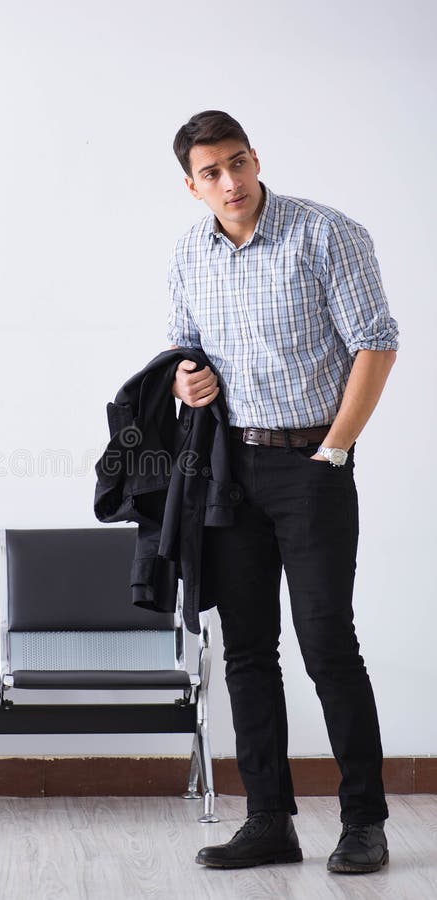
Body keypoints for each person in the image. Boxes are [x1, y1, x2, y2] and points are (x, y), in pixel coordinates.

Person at [167, 110, 398, 875]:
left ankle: (363, 822)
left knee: (327, 643)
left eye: (238, 162)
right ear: (191, 185)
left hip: (313, 465)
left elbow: (375, 341)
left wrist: (334, 448)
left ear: (255, 158)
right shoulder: (186, 255)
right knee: (247, 651)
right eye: (211, 172)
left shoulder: (326, 234)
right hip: (231, 472)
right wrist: (185, 377)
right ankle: (269, 820)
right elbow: (183, 354)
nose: (230, 182)